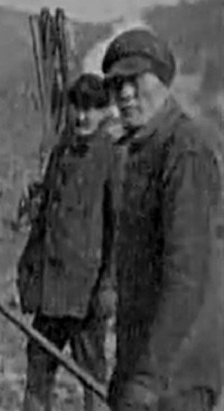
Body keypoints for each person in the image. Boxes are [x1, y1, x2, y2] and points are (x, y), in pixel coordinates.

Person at [101, 28, 223, 411]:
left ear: (163, 80)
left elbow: (187, 278)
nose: (124, 94)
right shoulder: (141, 150)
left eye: (135, 80)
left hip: (176, 378)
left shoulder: (184, 152)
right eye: (116, 83)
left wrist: (146, 377)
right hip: (147, 367)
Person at [16, 72, 120, 411]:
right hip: (51, 291)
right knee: (37, 367)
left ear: (105, 111)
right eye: (78, 107)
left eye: (92, 108)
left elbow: (118, 229)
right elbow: (44, 216)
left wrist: (107, 287)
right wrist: (28, 267)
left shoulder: (111, 156)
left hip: (86, 296)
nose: (82, 116)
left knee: (92, 378)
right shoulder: (61, 151)